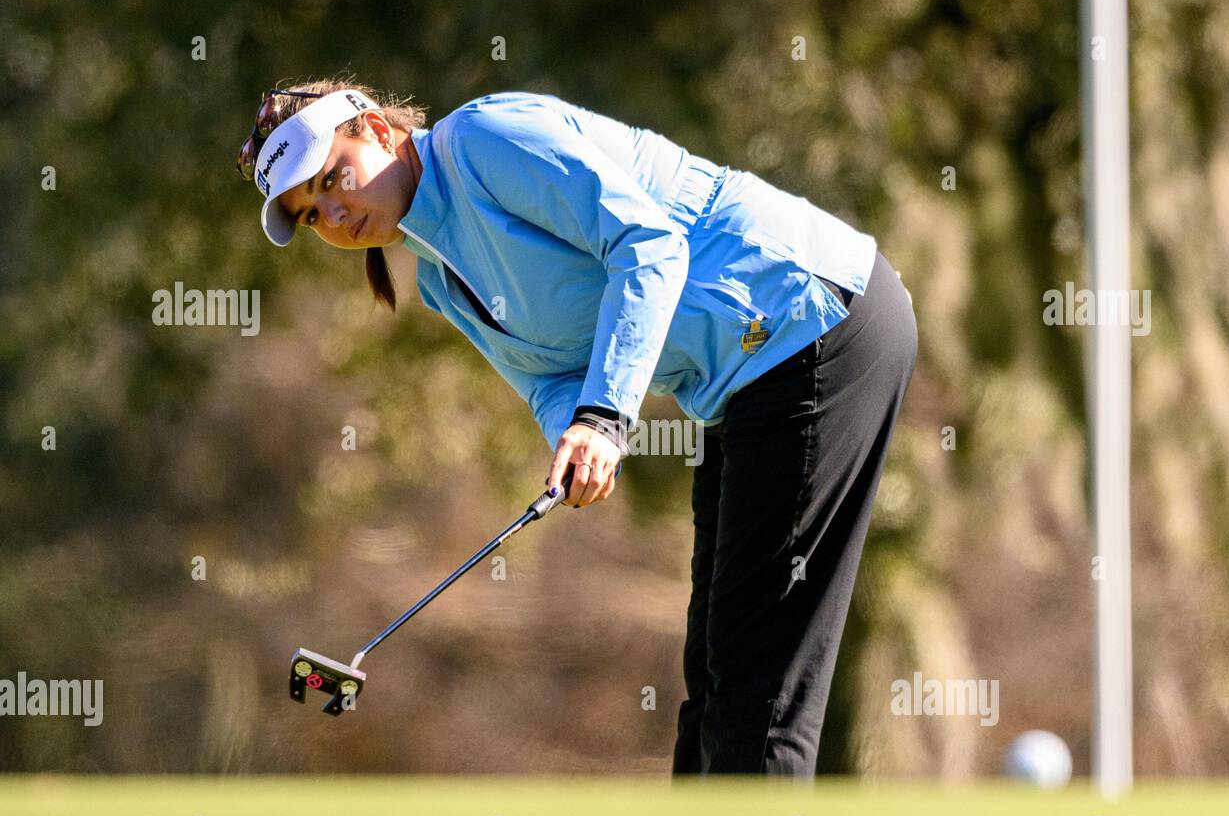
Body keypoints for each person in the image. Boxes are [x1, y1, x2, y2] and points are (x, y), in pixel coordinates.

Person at [236, 80, 917, 775]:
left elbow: (648, 245)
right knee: (713, 680)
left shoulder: (484, 141)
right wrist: (577, 435)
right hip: (746, 383)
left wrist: (605, 417)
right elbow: (549, 381)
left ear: (377, 128)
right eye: (311, 212)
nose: (334, 211)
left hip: (812, 315)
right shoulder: (443, 281)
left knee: (758, 693)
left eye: (332, 178)